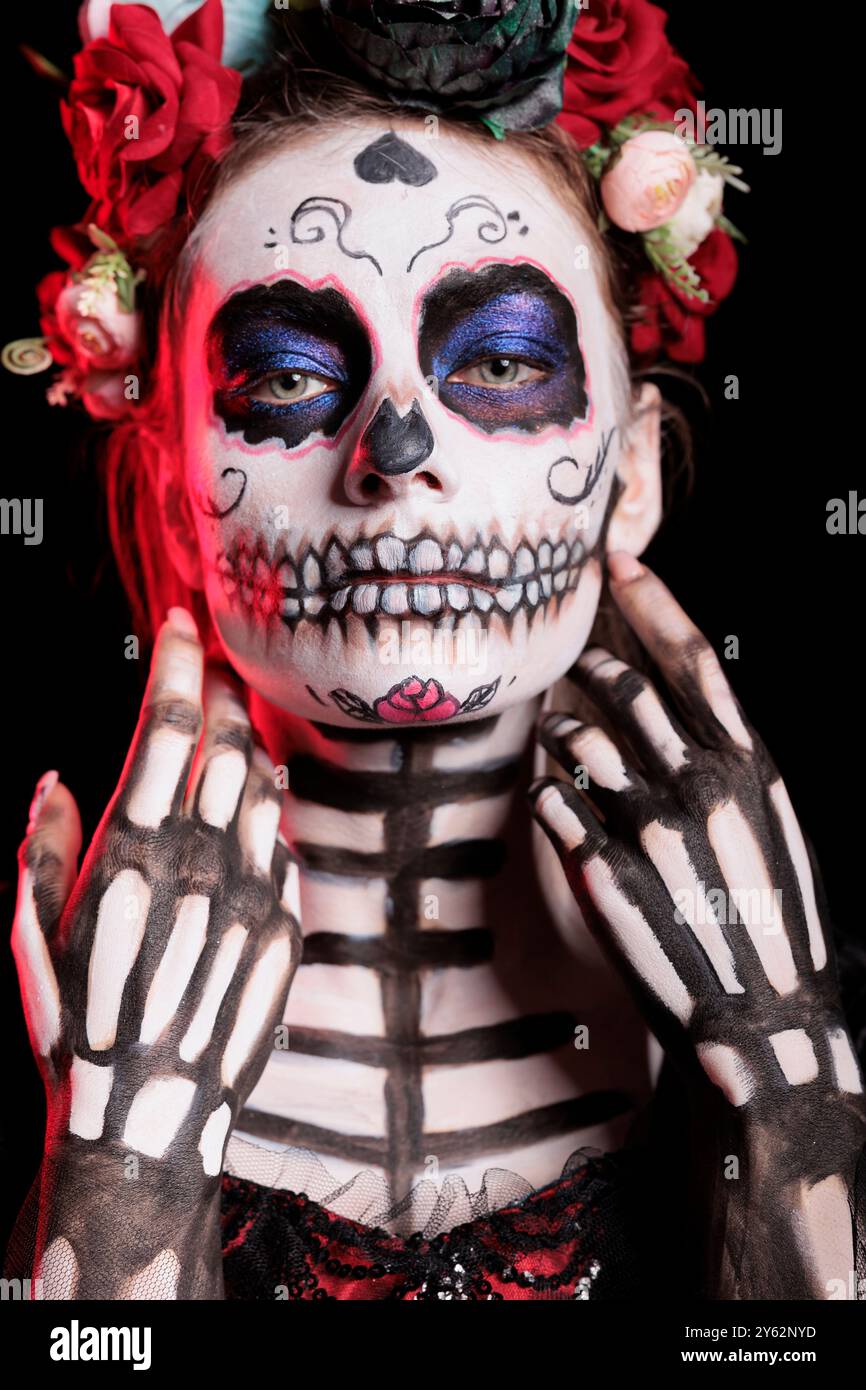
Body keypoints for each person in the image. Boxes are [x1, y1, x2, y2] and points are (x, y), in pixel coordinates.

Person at [4, 0, 864, 1301]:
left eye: (504, 358)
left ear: (625, 475)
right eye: (289, 376)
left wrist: (792, 1096)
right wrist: (123, 1165)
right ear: (170, 486)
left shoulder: (771, 973)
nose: (395, 450)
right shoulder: (96, 1011)